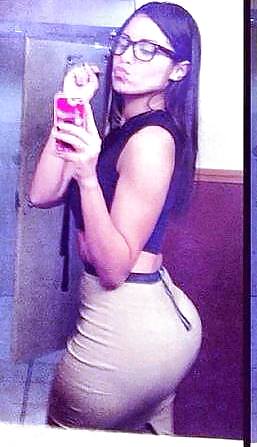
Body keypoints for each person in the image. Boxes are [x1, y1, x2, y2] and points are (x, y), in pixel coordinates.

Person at [29, 2, 202, 434]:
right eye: (123, 43)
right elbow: (41, 194)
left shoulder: (151, 140)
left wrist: (88, 176)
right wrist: (71, 107)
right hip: (145, 319)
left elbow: (112, 268)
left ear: (178, 70)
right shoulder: (120, 128)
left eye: (147, 49)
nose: (125, 57)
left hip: (127, 319)